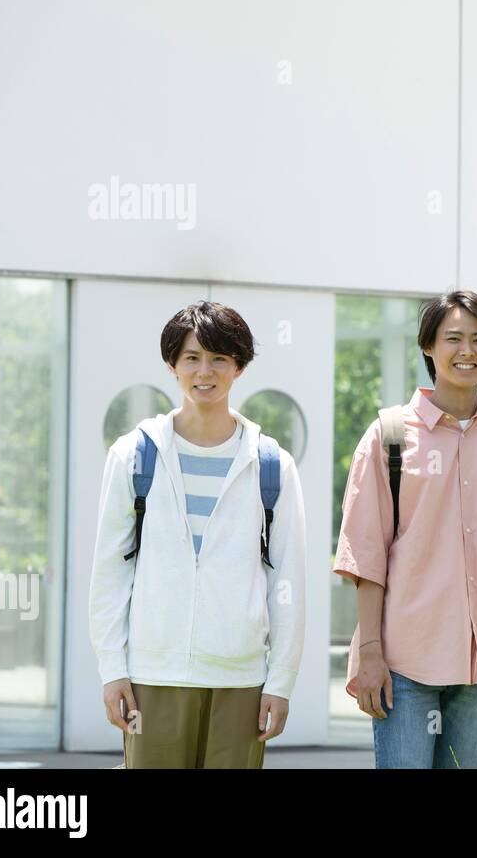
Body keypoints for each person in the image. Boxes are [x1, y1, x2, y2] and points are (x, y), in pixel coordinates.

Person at [334, 290, 477, 769]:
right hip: (404, 662)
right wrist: (370, 653)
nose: (467, 351)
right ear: (429, 348)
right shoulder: (389, 436)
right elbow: (366, 557)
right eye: (452, 338)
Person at [89, 301, 307, 768]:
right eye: (191, 358)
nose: (203, 372)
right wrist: (113, 670)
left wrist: (280, 682)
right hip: (154, 676)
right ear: (172, 365)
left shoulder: (273, 465)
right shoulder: (132, 456)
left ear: (239, 367)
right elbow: (109, 571)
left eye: (219, 359)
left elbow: (287, 584)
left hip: (242, 681)